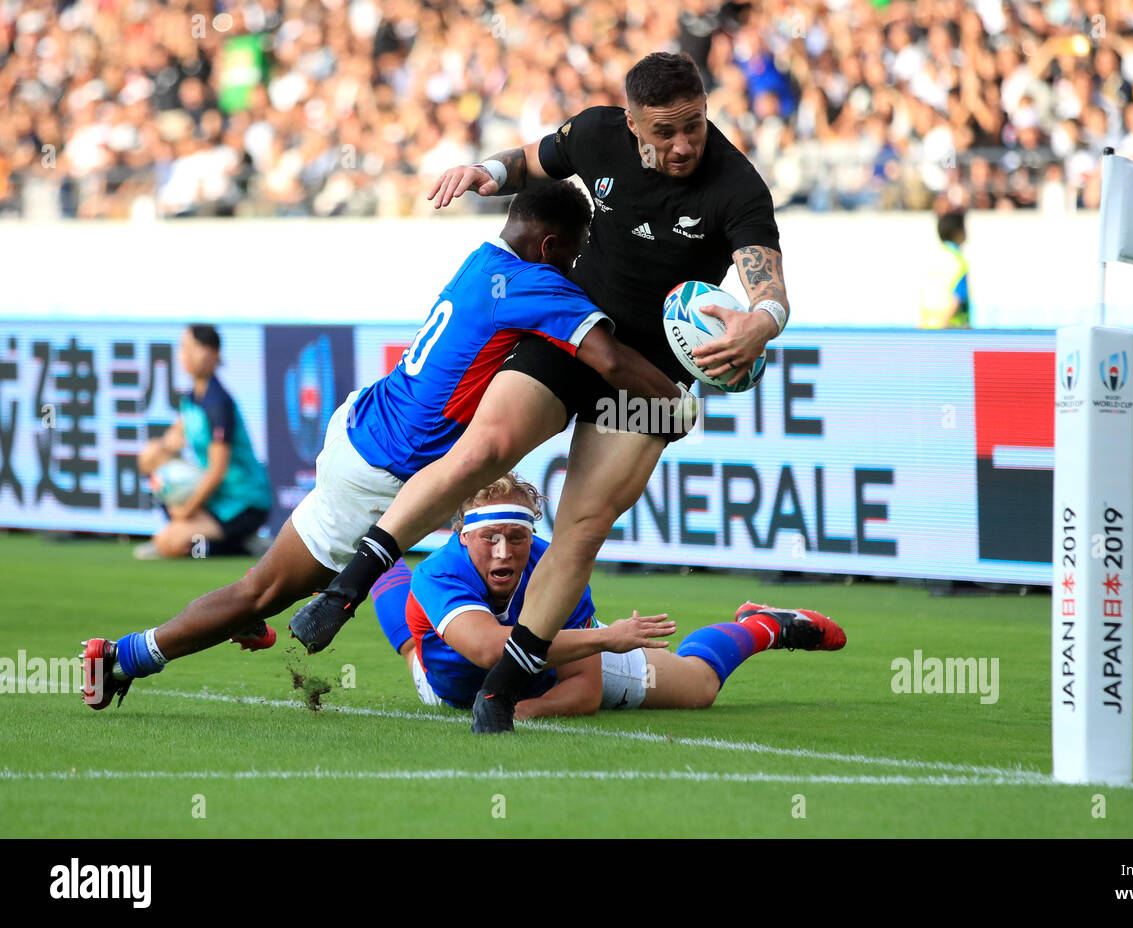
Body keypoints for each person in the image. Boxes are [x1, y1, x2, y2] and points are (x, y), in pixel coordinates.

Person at [289, 51, 792, 734]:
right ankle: (348, 589)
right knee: (485, 447)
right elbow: (528, 161)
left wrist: (760, 323)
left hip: (646, 376)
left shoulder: (736, 186)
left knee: (582, 525)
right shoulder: (595, 133)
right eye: (664, 131)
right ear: (633, 124)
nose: (682, 145)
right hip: (574, 333)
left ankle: (501, 691)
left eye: (694, 126)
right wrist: (484, 172)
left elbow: (768, 286)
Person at [81, 181, 690, 710]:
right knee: (263, 592)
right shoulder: (535, 284)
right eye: (574, 253)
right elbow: (609, 359)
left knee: (260, 591)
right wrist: (679, 400)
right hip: (387, 466)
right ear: (551, 247)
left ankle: (158, 645)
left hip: (362, 426)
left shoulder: (483, 260)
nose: (575, 266)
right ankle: (130, 655)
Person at [371, 473, 846, 718]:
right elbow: (488, 648)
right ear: (462, 536)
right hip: (446, 687)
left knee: (699, 688)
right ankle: (371, 554)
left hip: (549, 673)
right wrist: (606, 638)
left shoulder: (557, 567)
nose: (504, 551)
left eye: (516, 537)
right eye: (490, 537)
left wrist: (520, 709)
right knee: (418, 646)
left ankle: (764, 625)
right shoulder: (440, 570)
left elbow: (585, 690)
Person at [134, 324, 272, 559]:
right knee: (151, 454)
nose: (184, 355)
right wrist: (171, 444)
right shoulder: (190, 399)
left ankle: (246, 543)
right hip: (216, 497)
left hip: (242, 501)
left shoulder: (219, 403)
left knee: (170, 543)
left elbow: (217, 471)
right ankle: (200, 532)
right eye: (182, 348)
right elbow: (172, 438)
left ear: (212, 353)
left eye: (191, 348)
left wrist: (185, 512)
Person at [919, 211, 971, 329]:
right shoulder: (958, 261)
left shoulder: (932, 257)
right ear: (958, 232)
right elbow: (958, 296)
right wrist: (943, 326)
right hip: (952, 328)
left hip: (927, 325)